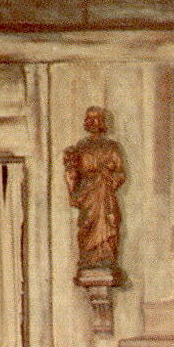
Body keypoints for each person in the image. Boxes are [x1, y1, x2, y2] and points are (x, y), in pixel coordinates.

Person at [63, 105, 126, 270]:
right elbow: (72, 172)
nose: (92, 121)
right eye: (89, 118)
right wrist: (72, 190)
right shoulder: (80, 146)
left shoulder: (112, 147)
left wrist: (110, 180)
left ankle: (106, 257)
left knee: (109, 222)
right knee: (87, 225)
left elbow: (120, 174)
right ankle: (88, 258)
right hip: (88, 193)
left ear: (103, 121)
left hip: (105, 193)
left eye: (96, 117)